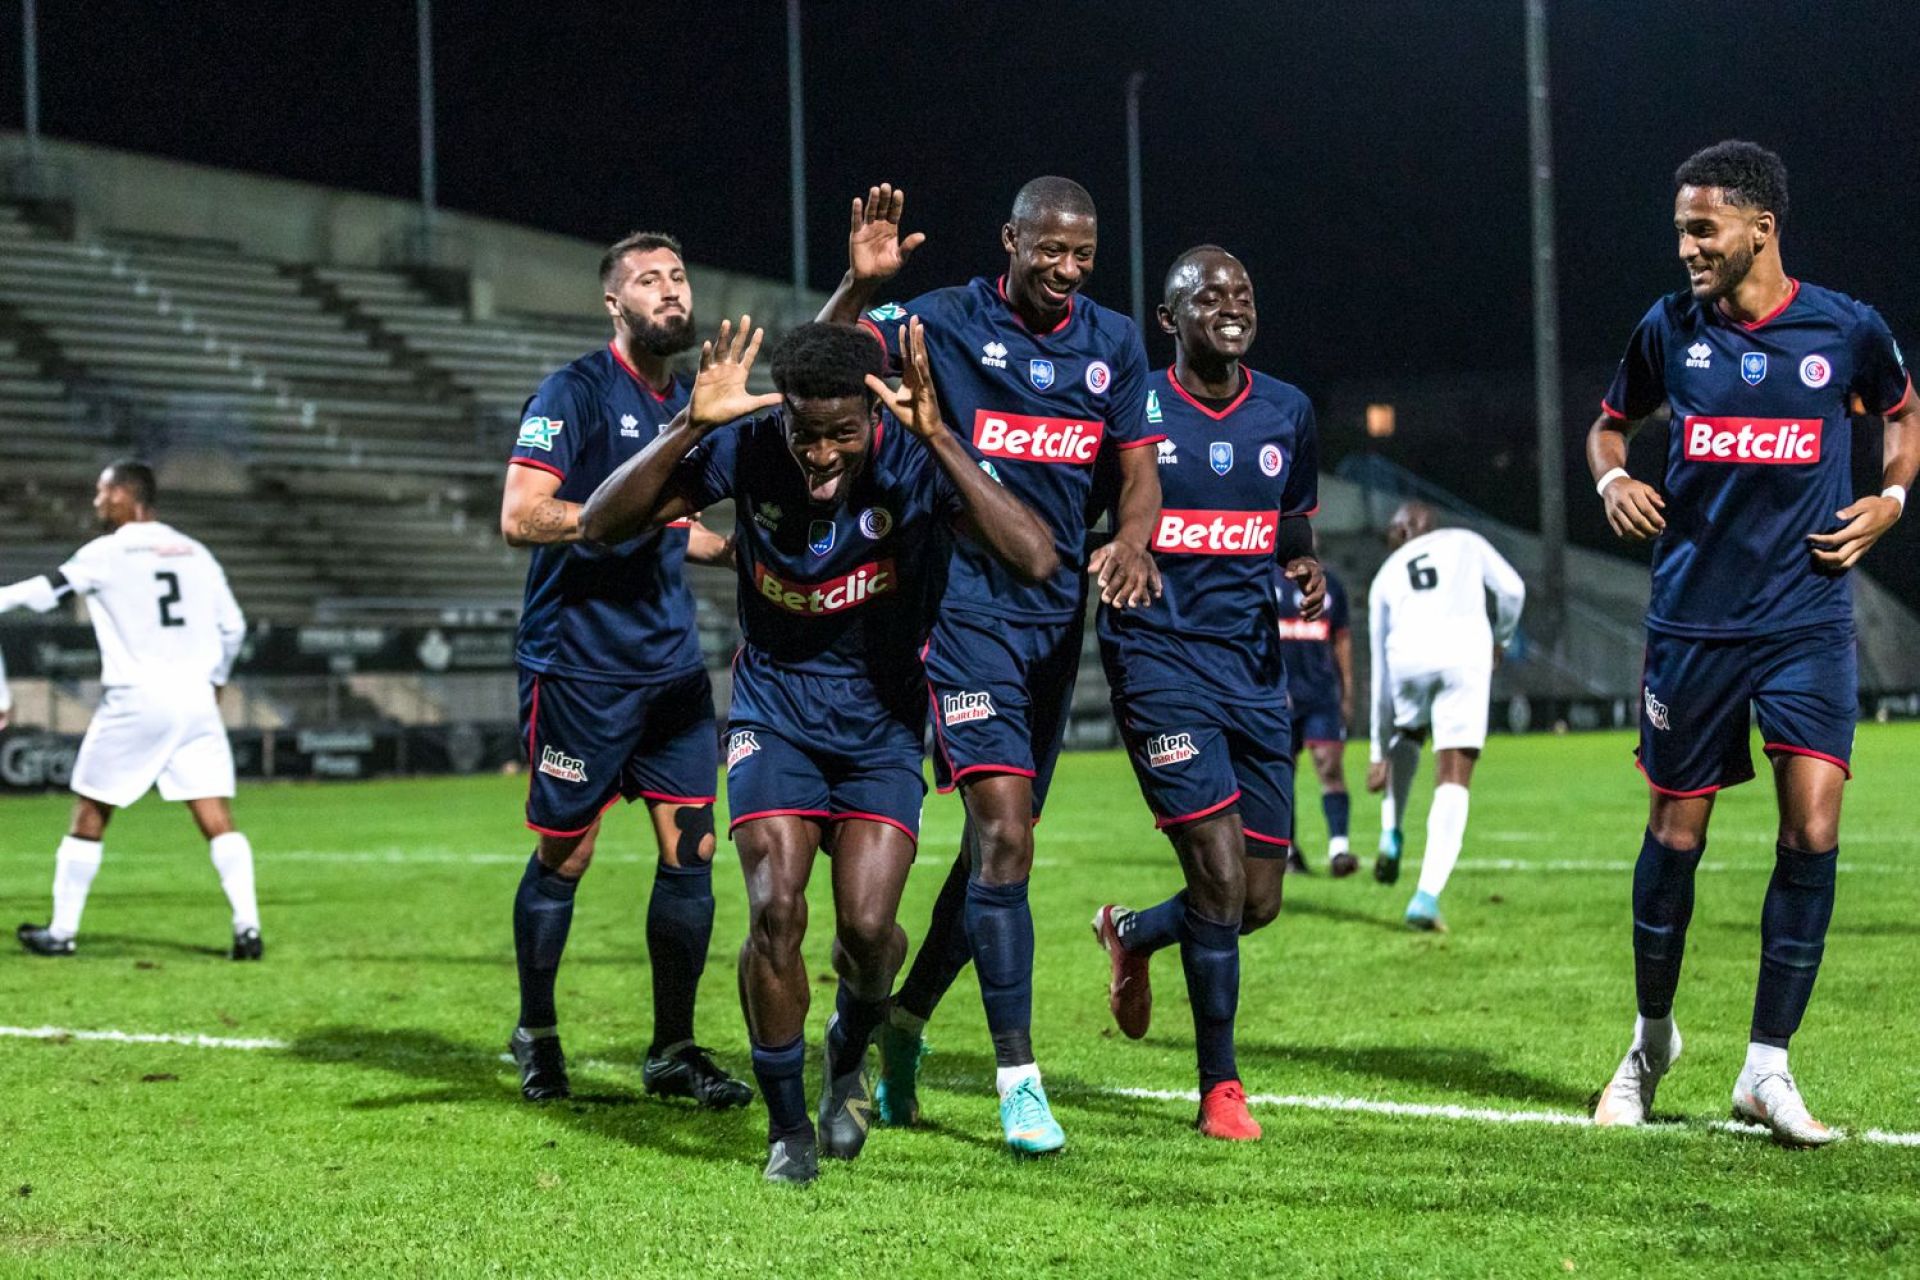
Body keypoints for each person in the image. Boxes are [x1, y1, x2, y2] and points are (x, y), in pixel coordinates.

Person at [582, 316, 1058, 1183]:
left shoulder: (912, 454)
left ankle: (850, 1042)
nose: (823, 454)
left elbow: (1034, 556)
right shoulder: (754, 447)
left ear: (874, 417)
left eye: (844, 433)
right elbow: (599, 523)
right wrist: (688, 427)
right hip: (776, 717)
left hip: (879, 728)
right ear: (784, 415)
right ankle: (788, 1128)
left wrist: (941, 436)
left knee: (871, 935)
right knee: (775, 913)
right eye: (807, 432)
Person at [817, 179, 1163, 1152]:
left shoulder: (1114, 344)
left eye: (1083, 255)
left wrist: (1134, 539)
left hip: (1055, 624)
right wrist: (856, 281)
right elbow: (819, 359)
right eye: (1050, 250)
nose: (1066, 270)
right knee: (1005, 832)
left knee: (986, 857)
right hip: (960, 612)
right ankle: (1020, 1081)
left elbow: (1140, 473)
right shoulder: (942, 322)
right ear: (1011, 238)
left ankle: (908, 1018)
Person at [1587, 141, 1916, 1145]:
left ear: (1758, 227)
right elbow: (1609, 426)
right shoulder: (1667, 328)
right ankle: (1649, 1045)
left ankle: (1766, 1066)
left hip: (1809, 616)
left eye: (1702, 228)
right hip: (1693, 620)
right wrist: (1612, 478)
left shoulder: (1845, 327)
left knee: (1813, 830)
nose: (1686, 247)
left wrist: (1890, 498)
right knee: (1676, 835)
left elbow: (1902, 415)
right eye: (1680, 229)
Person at [498, 231, 749, 1109]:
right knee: (567, 855)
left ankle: (673, 1050)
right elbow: (522, 515)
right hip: (579, 667)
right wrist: (606, 518)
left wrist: (750, 555)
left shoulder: (687, 399)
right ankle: (536, 1031)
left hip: (669, 670)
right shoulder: (575, 391)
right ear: (615, 302)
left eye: (679, 277)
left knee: (694, 851)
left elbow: (673, 523)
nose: (670, 292)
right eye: (649, 280)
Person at [1089, 246, 1322, 1140]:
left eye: (1243, 291)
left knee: (1257, 900)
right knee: (1220, 877)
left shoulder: (1287, 410)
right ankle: (1221, 1088)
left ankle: (1136, 931)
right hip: (1158, 661)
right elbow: (1081, 507)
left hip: (1254, 669)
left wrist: (1300, 561)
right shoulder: (1135, 407)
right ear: (1169, 318)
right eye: (1209, 294)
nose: (1231, 304)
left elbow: (1289, 516)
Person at [0, 461, 258, 959]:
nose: (97, 502)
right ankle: (248, 928)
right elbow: (235, 626)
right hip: (195, 699)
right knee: (215, 816)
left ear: (123, 494)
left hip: (138, 697)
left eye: (101, 492)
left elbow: (44, 592)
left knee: (90, 811)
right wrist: (218, 679)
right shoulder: (196, 553)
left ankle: (62, 932)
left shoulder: (108, 552)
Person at [1364, 502, 1524, 931]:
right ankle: (1425, 896)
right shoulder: (1467, 542)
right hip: (1463, 654)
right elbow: (1512, 590)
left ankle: (1389, 830)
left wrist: (1378, 750)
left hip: (1407, 657)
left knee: (1408, 735)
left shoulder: (1386, 575)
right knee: (1453, 775)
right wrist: (1502, 639)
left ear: (1401, 531)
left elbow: (1378, 668)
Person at [1275, 549, 1355, 875]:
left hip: (1321, 695)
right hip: (1278, 696)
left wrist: (1347, 691)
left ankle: (1339, 850)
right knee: (1282, 774)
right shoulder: (1266, 581)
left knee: (1329, 766)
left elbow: (1343, 641)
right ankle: (1288, 850)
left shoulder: (1331, 585)